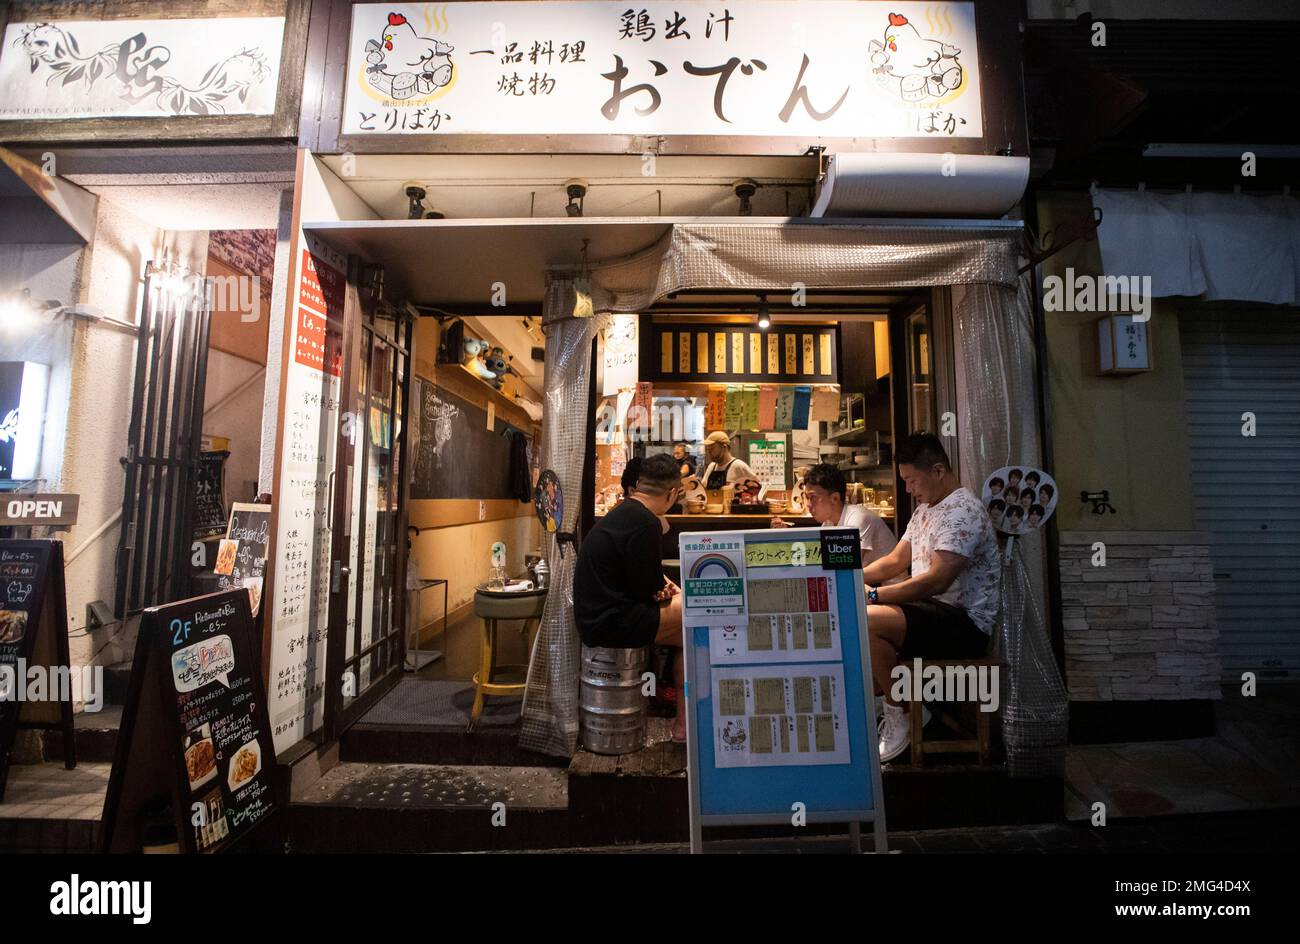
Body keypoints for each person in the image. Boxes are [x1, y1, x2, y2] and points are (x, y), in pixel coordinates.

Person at [860, 433, 1001, 763]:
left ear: (938, 471)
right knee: (864, 621)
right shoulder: (926, 509)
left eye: (911, 480)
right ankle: (907, 710)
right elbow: (896, 561)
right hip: (932, 612)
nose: (908, 489)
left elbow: (937, 581)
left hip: (964, 624)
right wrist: (853, 576)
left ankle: (901, 713)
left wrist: (877, 594)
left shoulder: (962, 510)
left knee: (867, 619)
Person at [574, 453, 687, 741]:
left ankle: (678, 717)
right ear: (672, 493)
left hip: (597, 616)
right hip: (612, 622)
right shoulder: (646, 522)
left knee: (689, 617)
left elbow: (646, 582)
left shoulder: (624, 513)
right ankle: (684, 725)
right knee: (697, 619)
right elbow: (647, 590)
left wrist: (662, 588)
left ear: (638, 485)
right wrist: (666, 590)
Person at [770, 462, 897, 569]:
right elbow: (819, 559)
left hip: (891, 592)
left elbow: (844, 567)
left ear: (835, 498)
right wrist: (785, 537)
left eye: (812, 497)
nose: (808, 504)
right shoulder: (829, 523)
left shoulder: (857, 519)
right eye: (806, 497)